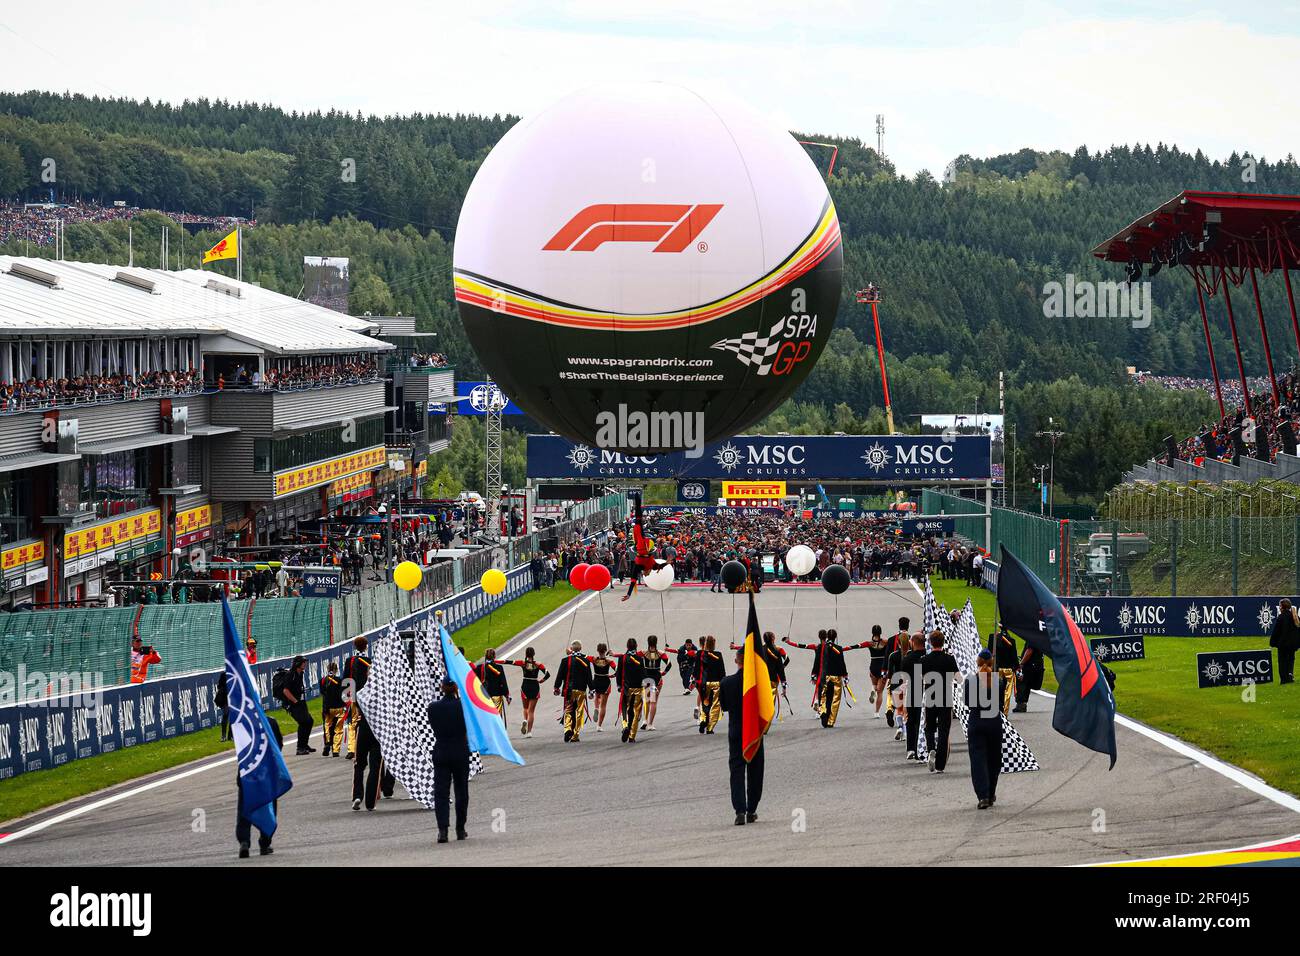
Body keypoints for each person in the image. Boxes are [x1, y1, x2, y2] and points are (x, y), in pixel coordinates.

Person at [719, 647, 763, 826]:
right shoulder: (759, 684)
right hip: (754, 732)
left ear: (737, 660)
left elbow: (724, 706)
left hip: (736, 732)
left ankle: (740, 811)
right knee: (756, 771)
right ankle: (752, 809)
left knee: (737, 771)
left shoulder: (726, 682)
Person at [427, 680, 471, 843]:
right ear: (456, 688)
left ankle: (443, 830)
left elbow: (434, 726)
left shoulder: (433, 708)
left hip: (442, 751)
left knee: (441, 793)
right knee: (462, 792)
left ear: (441, 688)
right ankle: (460, 828)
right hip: (460, 750)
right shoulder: (463, 706)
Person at [236, 716, 284, 858]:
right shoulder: (271, 722)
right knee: (269, 809)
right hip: (267, 773)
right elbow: (278, 745)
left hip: (247, 772)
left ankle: (244, 841)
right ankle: (265, 842)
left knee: (244, 809)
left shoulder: (242, 723)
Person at [965, 650, 1005, 809]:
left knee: (978, 760)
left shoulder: (971, 681)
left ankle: (982, 795)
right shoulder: (999, 682)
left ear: (978, 662)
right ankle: (991, 792)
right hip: (994, 723)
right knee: (994, 760)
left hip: (976, 723)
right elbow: (1001, 703)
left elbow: (968, 702)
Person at [921, 631, 959, 773]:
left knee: (929, 727)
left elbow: (920, 679)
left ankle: (931, 748)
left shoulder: (924, 659)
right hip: (945, 698)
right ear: (943, 643)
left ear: (930, 643)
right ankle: (940, 765)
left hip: (930, 696)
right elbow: (958, 678)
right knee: (944, 731)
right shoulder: (949, 659)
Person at [499, 647, 550, 737]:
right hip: (534, 686)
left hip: (525, 686)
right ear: (533, 654)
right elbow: (547, 674)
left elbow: (508, 662)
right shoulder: (538, 664)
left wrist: (494, 661)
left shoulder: (522, 663)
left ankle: (525, 720)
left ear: (526, 654)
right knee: (531, 711)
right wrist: (542, 680)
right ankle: (529, 732)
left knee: (525, 708)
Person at [553, 640, 592, 742]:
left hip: (569, 689)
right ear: (581, 648)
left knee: (569, 710)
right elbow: (589, 677)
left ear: (571, 648)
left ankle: (567, 729)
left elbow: (560, 675)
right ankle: (575, 734)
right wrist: (592, 690)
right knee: (579, 712)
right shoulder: (585, 661)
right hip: (581, 689)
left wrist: (556, 687)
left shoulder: (565, 660)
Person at [279, 656, 316, 754]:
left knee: (309, 721)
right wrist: (295, 701)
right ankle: (300, 748)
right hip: (293, 703)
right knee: (303, 722)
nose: (305, 664)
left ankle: (304, 744)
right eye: (303, 662)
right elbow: (285, 691)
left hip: (300, 702)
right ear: (298, 664)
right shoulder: (290, 675)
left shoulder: (300, 673)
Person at [614, 638, 646, 743]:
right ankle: (632, 736)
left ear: (627, 646)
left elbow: (618, 673)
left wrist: (619, 685)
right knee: (636, 711)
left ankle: (625, 725)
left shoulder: (622, 658)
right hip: (637, 687)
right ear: (636, 646)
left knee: (624, 708)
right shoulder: (640, 659)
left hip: (626, 687)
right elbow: (643, 674)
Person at [343, 636, 371, 757]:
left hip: (352, 691)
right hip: (365, 693)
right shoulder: (368, 660)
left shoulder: (350, 660)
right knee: (366, 719)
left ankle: (351, 749)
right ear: (365, 646)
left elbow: (345, 678)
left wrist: (345, 695)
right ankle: (368, 745)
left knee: (353, 721)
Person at [640, 635, 672, 731]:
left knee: (647, 700)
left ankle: (645, 720)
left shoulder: (643, 653)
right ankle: (650, 724)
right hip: (657, 678)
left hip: (647, 679)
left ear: (648, 643)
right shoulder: (660, 653)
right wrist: (664, 672)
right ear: (656, 643)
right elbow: (669, 664)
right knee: (654, 701)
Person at [695, 636, 726, 734]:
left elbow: (696, 668)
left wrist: (696, 681)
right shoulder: (718, 655)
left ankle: (703, 719)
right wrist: (723, 682)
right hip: (716, 682)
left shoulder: (700, 654)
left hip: (704, 682)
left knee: (705, 702)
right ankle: (710, 727)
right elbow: (722, 671)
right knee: (715, 705)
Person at [474, 648, 511, 722]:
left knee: (487, 717)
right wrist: (507, 695)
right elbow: (503, 682)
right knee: (497, 717)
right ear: (494, 656)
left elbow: (474, 681)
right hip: (496, 696)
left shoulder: (480, 667)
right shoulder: (499, 667)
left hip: (484, 696)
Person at [319, 661, 347, 757]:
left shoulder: (322, 680)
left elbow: (323, 694)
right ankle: (336, 750)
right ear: (336, 670)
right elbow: (343, 695)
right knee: (338, 729)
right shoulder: (339, 680)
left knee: (327, 726)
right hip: (339, 707)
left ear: (327, 669)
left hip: (328, 707)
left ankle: (327, 743)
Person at [1270, 598, 1300, 684]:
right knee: (1291, 659)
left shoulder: (1281, 617)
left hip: (1283, 644)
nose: (1279, 607)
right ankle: (1290, 676)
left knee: (1282, 661)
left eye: (1280, 605)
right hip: (1293, 644)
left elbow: (1276, 631)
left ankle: (1284, 679)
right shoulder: (1295, 616)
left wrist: (1272, 642)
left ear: (1282, 607)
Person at [588, 643, 616, 732]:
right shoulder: (609, 661)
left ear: (597, 650)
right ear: (605, 650)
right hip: (605, 681)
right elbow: (618, 670)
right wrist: (613, 675)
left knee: (597, 696)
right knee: (603, 705)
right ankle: (599, 726)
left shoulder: (593, 659)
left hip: (596, 680)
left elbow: (583, 657)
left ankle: (596, 708)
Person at [990, 626, 1019, 714]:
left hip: (997, 669)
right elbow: (1014, 658)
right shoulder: (1011, 641)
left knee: (995, 691)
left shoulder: (993, 639)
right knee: (1007, 693)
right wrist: (1017, 667)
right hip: (1008, 670)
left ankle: (996, 710)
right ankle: (1005, 713)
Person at [1013, 640, 1044, 713]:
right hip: (1037, 665)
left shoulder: (1032, 638)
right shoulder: (1039, 637)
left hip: (1030, 665)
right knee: (1027, 685)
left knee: (1022, 682)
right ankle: (1023, 704)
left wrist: (1021, 663)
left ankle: (1021, 704)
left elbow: (1029, 651)